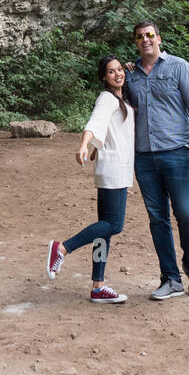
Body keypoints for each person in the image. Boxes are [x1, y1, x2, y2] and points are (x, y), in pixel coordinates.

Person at [122, 19, 189, 300]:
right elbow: (121, 108)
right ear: (135, 42)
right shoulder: (131, 75)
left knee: (186, 214)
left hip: (177, 153)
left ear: (159, 39)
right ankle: (170, 279)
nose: (145, 40)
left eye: (149, 35)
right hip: (145, 158)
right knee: (158, 218)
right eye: (139, 37)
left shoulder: (179, 67)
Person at [46, 55, 135, 304]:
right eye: (111, 71)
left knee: (103, 230)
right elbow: (94, 123)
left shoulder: (122, 98)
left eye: (119, 69)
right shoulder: (107, 99)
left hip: (114, 167)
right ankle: (61, 248)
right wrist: (84, 144)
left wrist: (131, 68)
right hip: (113, 169)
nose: (117, 74)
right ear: (103, 78)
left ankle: (98, 286)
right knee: (114, 225)